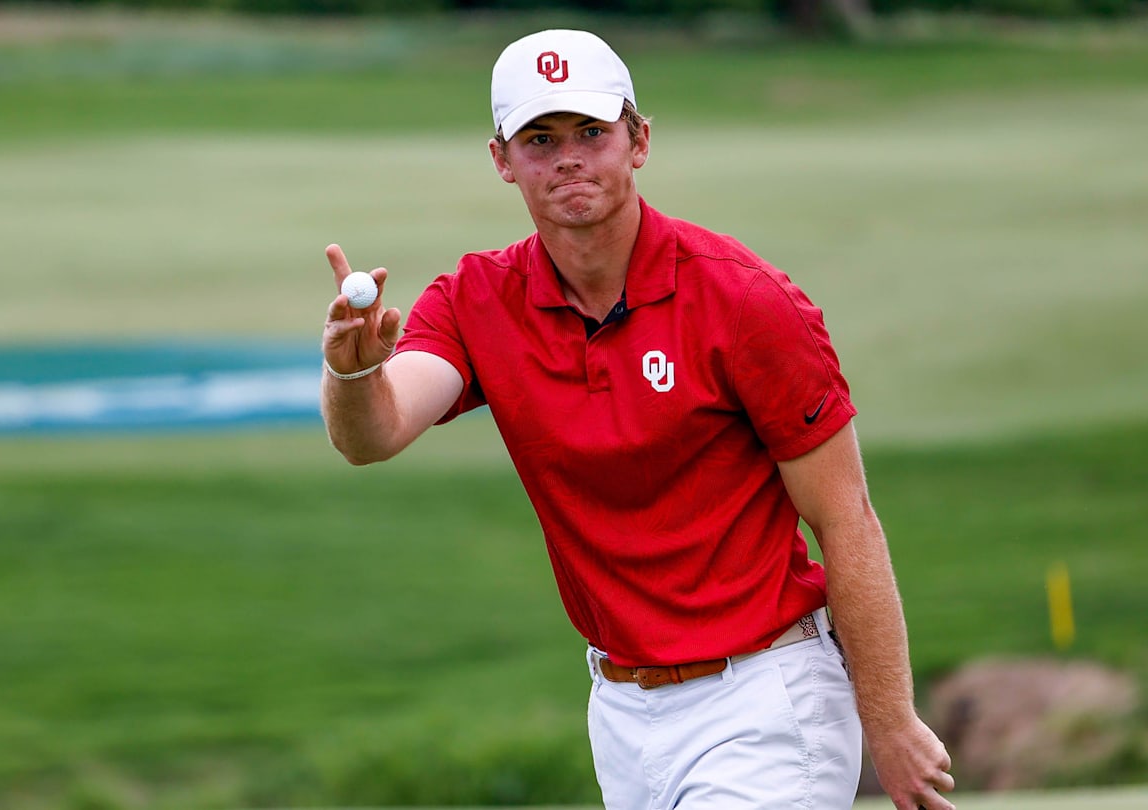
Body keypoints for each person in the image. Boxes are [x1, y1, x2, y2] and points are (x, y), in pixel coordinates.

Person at [319, 28, 954, 810]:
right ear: (502, 161)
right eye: (540, 139)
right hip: (622, 712)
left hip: (766, 699)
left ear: (639, 140)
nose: (569, 158)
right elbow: (374, 431)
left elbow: (845, 518)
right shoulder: (476, 300)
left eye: (592, 132)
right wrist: (352, 372)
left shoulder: (745, 300)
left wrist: (888, 723)